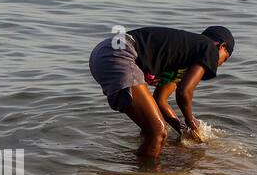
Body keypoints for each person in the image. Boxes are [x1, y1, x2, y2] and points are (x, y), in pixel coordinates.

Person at [88, 25, 235, 159]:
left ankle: (138, 170)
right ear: (222, 46)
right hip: (120, 53)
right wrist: (192, 123)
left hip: (104, 52)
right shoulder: (209, 48)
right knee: (158, 132)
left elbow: (161, 100)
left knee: (149, 130)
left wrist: (183, 130)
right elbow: (184, 92)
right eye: (225, 59)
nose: (219, 64)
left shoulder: (182, 54)